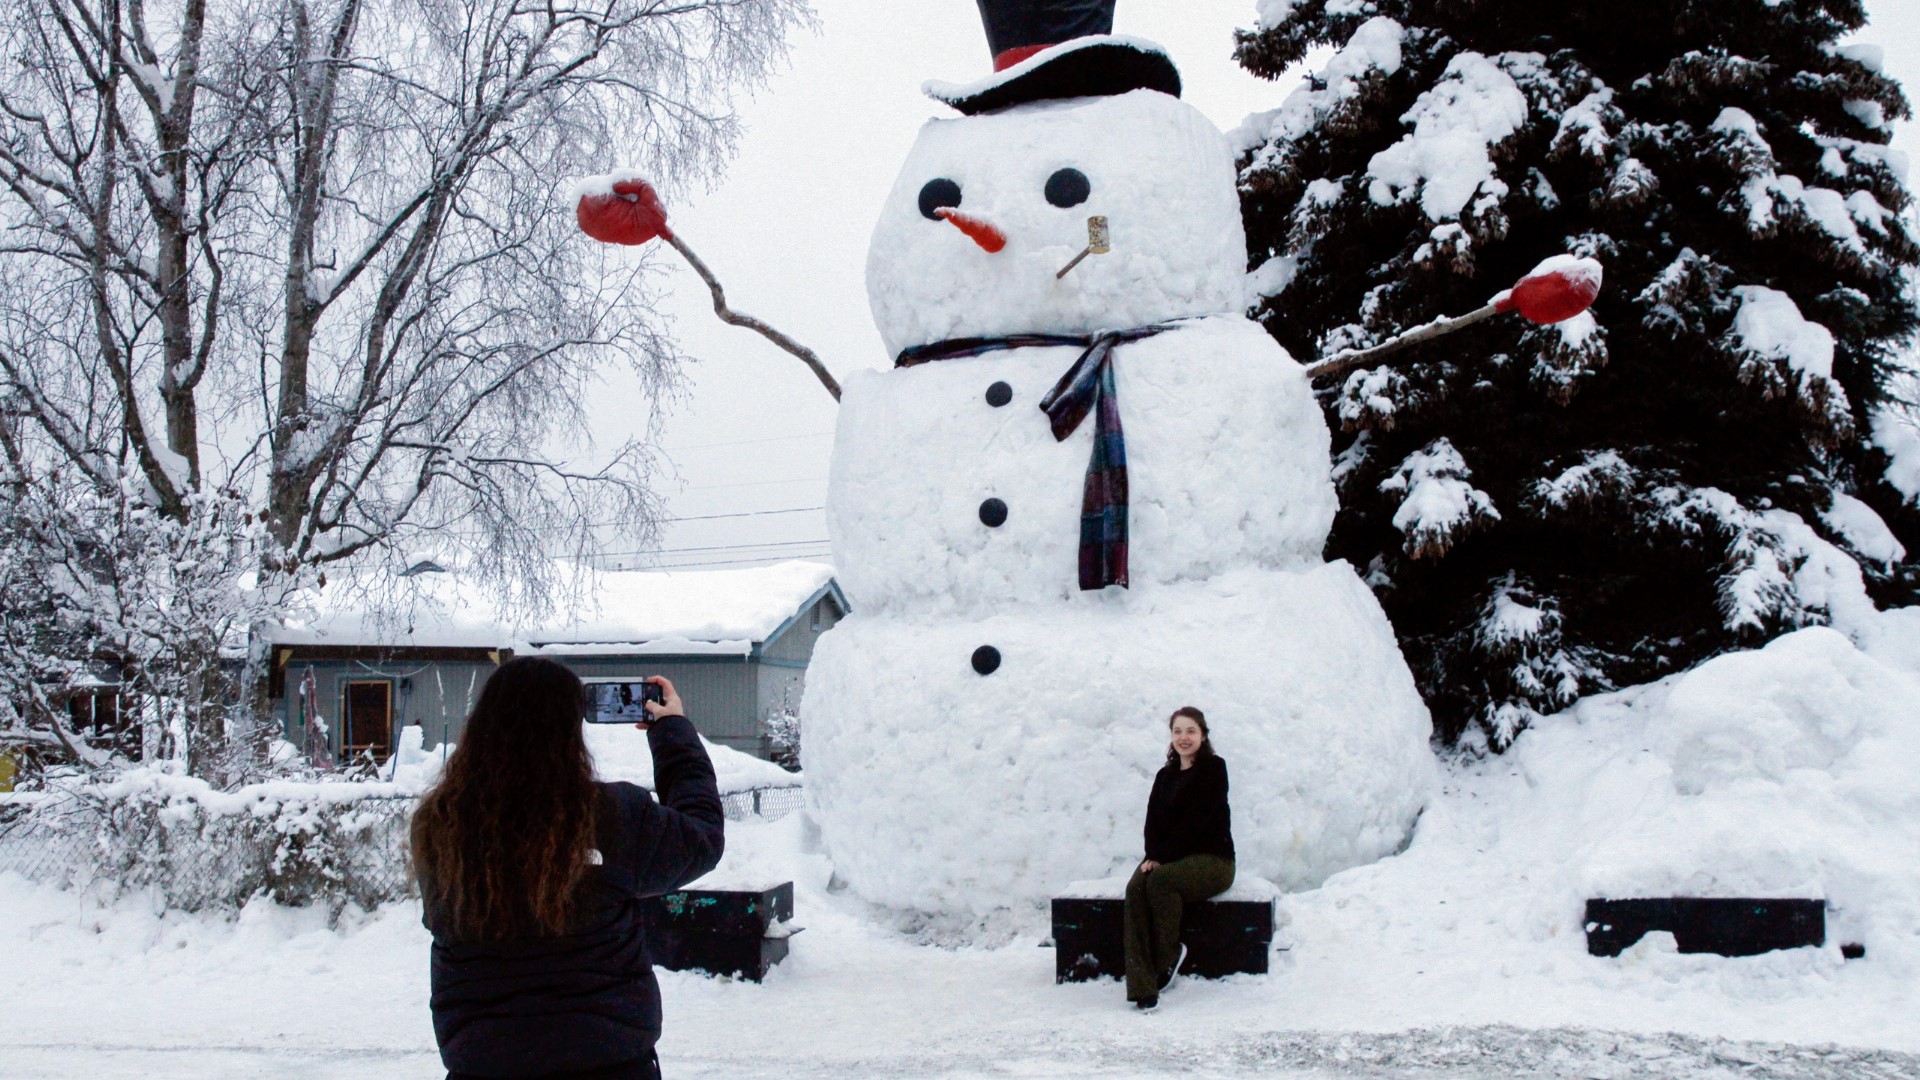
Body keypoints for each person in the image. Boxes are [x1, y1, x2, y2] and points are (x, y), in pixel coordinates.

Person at [411, 657, 723, 1079]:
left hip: (483, 1063)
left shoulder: (440, 826)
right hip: (610, 1061)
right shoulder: (611, 816)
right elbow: (701, 838)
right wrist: (672, 732)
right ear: (570, 730)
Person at [1124, 705, 1235, 1011]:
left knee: (1160, 880)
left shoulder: (1214, 769)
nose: (1184, 737)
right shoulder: (1165, 776)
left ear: (1203, 735)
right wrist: (1152, 854)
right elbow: (1152, 822)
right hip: (1167, 857)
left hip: (1213, 860)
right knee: (1135, 887)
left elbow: (1197, 822)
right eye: (1177, 731)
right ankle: (1142, 986)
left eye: (1191, 731)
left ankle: (1168, 957)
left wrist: (1161, 857)